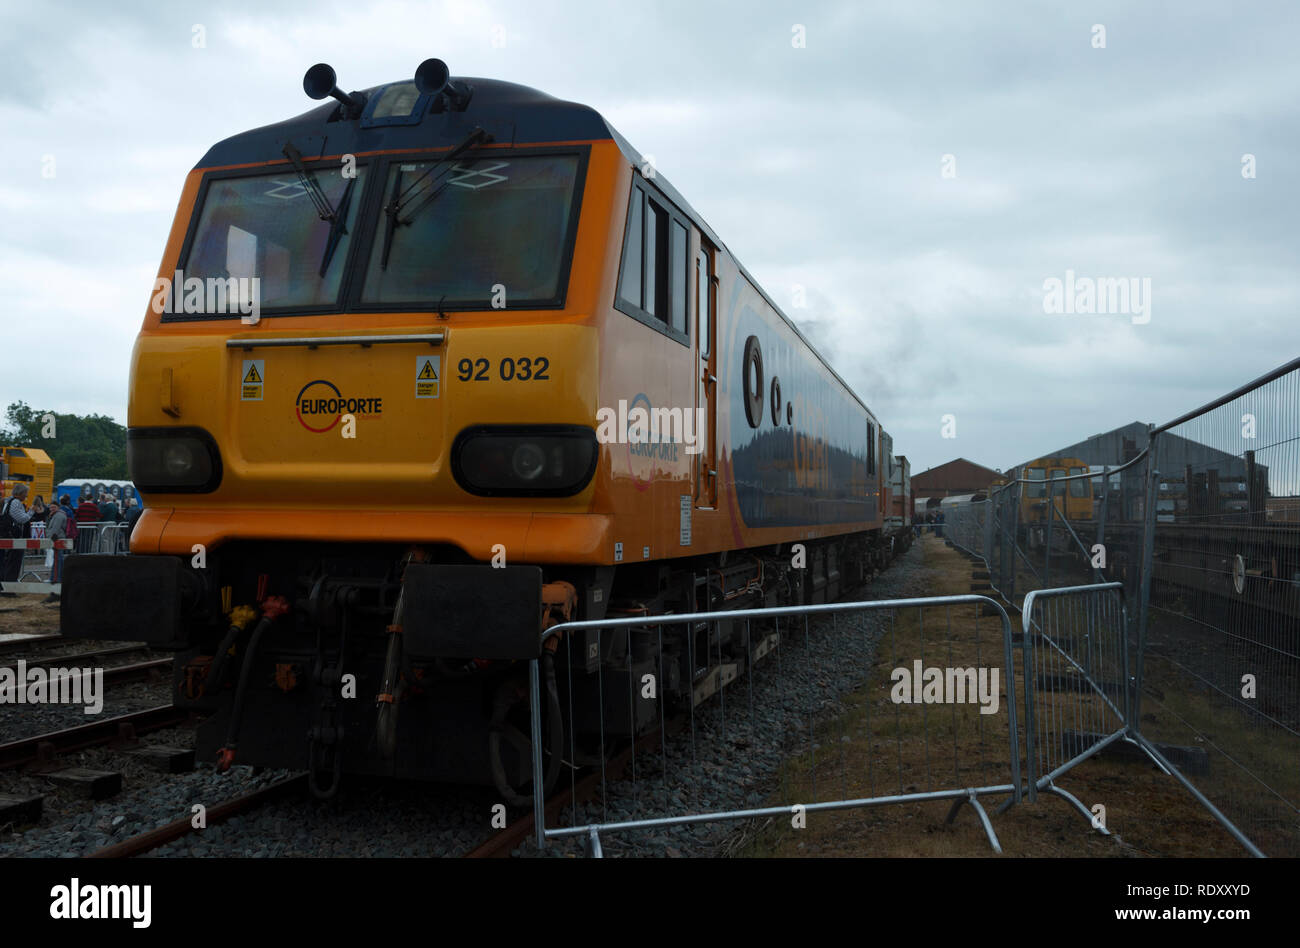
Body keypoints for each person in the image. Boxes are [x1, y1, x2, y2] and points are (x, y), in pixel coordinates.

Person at [1, 483, 35, 590]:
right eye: (25, 493)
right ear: (20, 493)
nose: (26, 496)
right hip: (13, 537)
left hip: (7, 536)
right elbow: (22, 518)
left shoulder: (7, 501)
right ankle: (10, 587)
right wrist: (31, 511)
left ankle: (5, 586)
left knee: (7, 562)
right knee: (13, 562)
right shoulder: (15, 502)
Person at [44, 499, 69, 602]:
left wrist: (51, 538)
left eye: (53, 507)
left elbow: (55, 528)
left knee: (57, 559)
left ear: (58, 507)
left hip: (57, 539)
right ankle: (56, 577)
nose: (51, 509)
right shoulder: (55, 515)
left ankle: (56, 578)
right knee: (57, 559)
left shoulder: (58, 516)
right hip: (56, 539)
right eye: (50, 507)